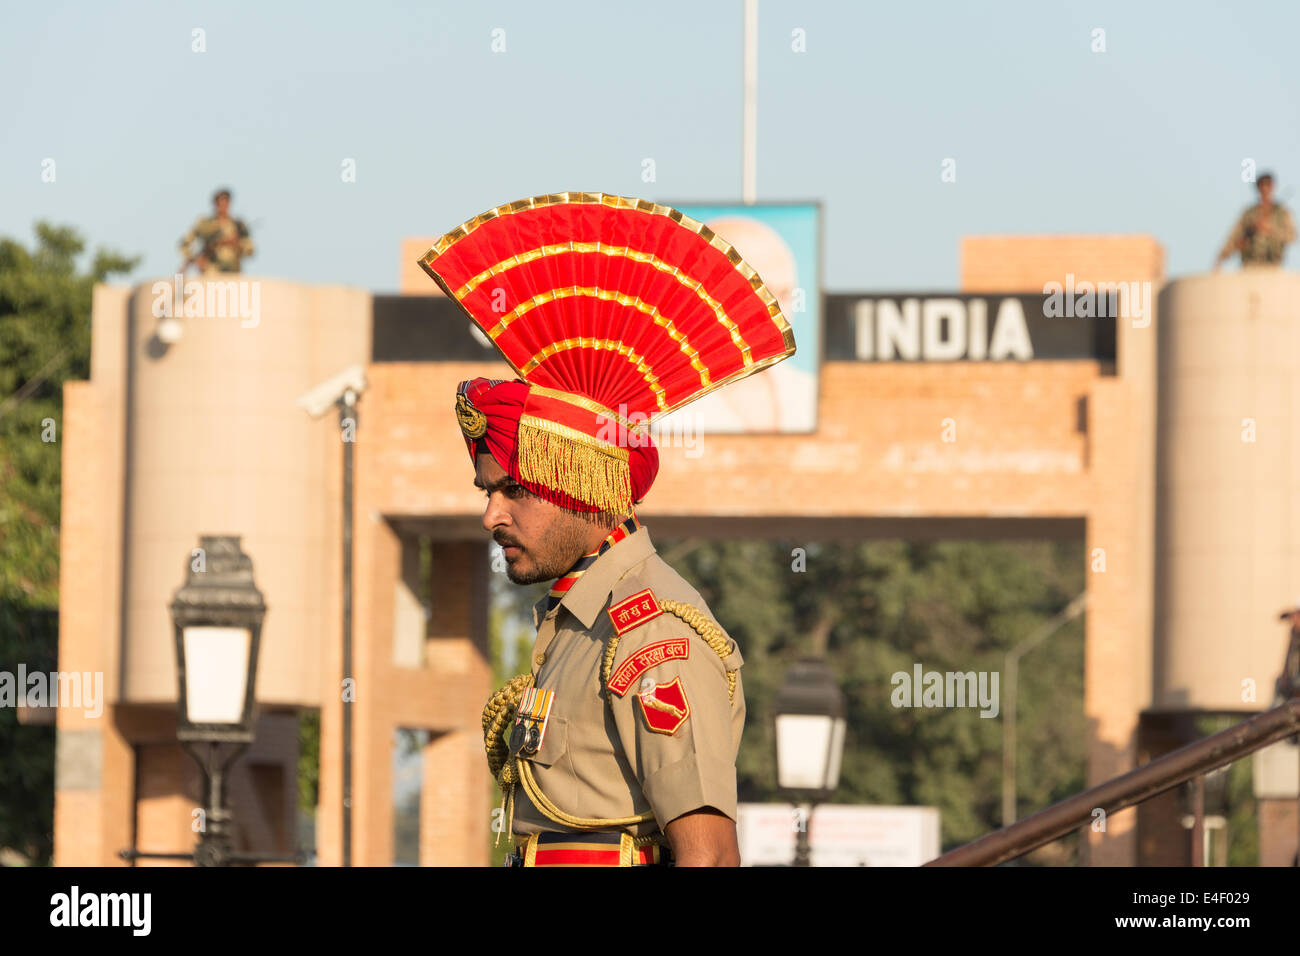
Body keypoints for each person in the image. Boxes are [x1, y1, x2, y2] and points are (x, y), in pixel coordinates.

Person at [421, 192, 797, 867]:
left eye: (513, 491)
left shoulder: (654, 635)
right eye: (487, 493)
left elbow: (707, 858)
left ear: (583, 486)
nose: (491, 516)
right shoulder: (576, 626)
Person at [1214, 173, 1296, 270]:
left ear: (1272, 187)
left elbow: (1292, 237)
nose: (1265, 189)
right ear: (1258, 188)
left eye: (1268, 185)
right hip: (1250, 265)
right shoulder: (1249, 214)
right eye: (1262, 185)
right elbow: (1234, 238)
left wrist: (1270, 230)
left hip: (1273, 265)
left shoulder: (1282, 213)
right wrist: (1222, 257)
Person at [178, 188, 254, 275]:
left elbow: (250, 250)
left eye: (225, 201)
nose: (222, 205)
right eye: (219, 202)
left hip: (233, 272)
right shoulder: (205, 225)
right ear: (215, 204)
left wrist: (236, 244)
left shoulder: (238, 225)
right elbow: (184, 244)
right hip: (211, 272)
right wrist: (195, 259)